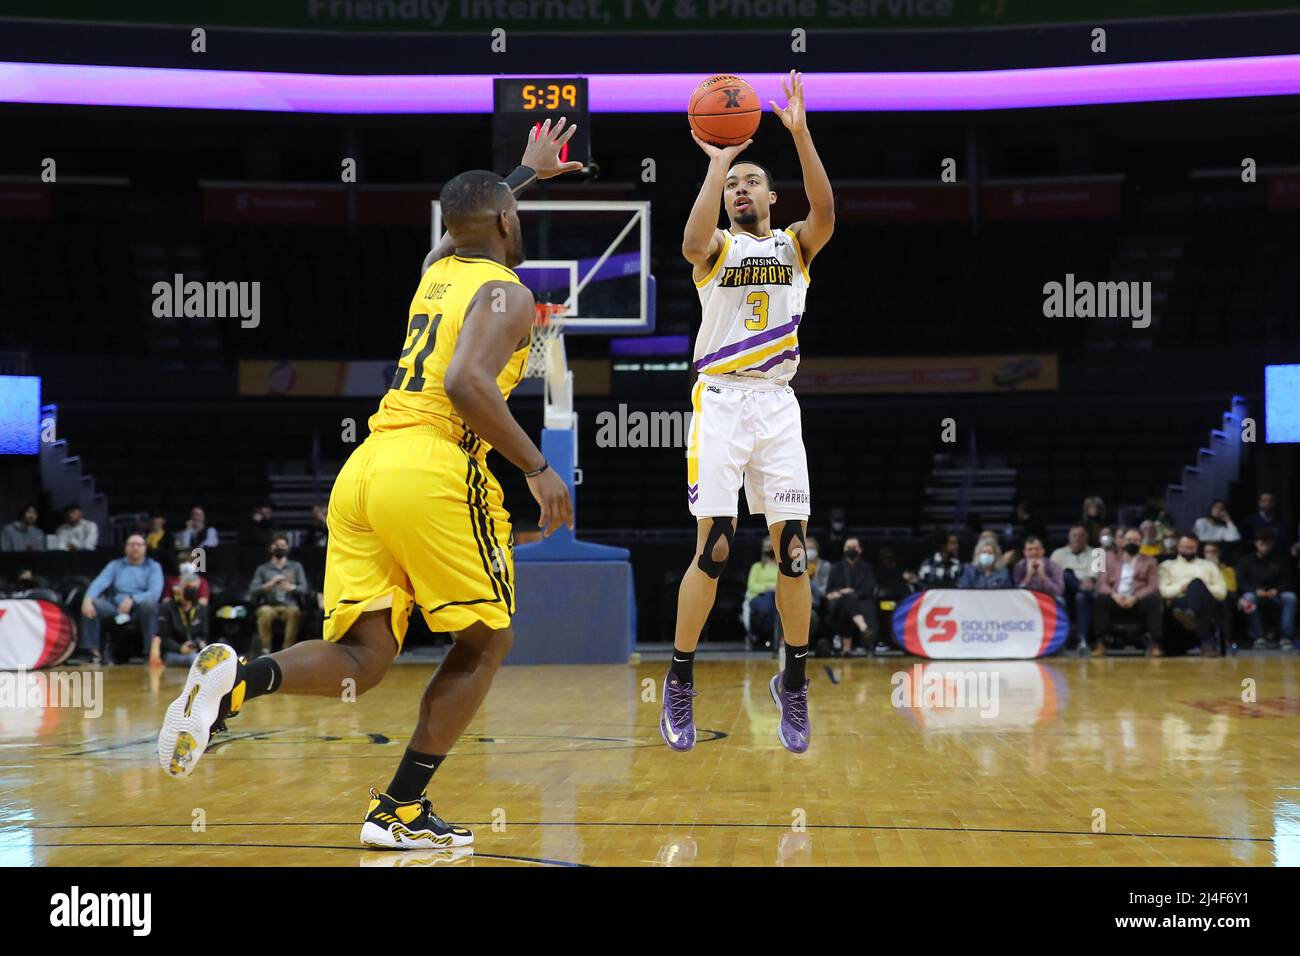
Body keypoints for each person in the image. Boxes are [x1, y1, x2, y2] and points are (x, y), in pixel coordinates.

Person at [158, 123, 580, 853]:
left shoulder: (433, 270)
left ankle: (236, 684)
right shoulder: (509, 294)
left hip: (366, 470)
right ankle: (400, 808)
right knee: (486, 643)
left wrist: (523, 174)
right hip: (434, 467)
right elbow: (466, 382)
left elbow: (470, 217)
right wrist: (537, 469)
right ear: (509, 223)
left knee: (366, 656)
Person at [665, 70, 834, 755]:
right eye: (736, 184)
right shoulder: (718, 250)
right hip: (722, 400)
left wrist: (799, 133)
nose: (741, 190)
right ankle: (679, 679)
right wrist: (718, 161)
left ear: (771, 196)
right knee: (716, 547)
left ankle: (792, 681)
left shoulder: (795, 245)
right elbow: (688, 240)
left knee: (793, 553)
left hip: (777, 404)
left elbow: (826, 213)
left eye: (750, 182)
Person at [79, 534, 164, 664]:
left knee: (150, 605)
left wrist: (133, 599)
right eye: (131, 544)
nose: (135, 547)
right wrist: (87, 599)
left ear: (145, 548)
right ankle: (91, 652)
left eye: (139, 545)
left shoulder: (153, 567)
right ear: (125, 548)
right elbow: (99, 583)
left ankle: (150, 653)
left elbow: (155, 593)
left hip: (138, 609)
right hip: (116, 608)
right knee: (92, 604)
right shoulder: (115, 565)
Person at [1093, 527, 1163, 657]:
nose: (1132, 543)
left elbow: (1152, 585)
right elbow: (1101, 583)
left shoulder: (1150, 561)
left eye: (1136, 540)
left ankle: (1155, 644)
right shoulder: (1106, 557)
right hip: (1115, 599)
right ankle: (1099, 643)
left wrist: (1135, 597)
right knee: (1100, 598)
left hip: (1138, 601)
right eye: (1129, 539)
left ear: (1142, 542)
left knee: (1154, 599)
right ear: (1122, 541)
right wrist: (1114, 595)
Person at [1159, 533, 1227, 656]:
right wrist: (1181, 588)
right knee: (1195, 587)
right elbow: (1163, 590)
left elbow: (1222, 592)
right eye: (1185, 547)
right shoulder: (1167, 566)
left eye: (1191, 548)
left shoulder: (1209, 566)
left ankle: (1191, 614)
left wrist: (1203, 588)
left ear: (1197, 548)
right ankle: (1206, 643)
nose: (1188, 550)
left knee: (1197, 584)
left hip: (1207, 603)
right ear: (1178, 547)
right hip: (1179, 602)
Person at [1235, 530, 1297, 649]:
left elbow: (1288, 580)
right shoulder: (1246, 561)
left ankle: (1286, 637)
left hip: (1276, 594)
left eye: (1267, 544)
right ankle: (1258, 636)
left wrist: (1277, 590)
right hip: (1255, 594)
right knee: (1247, 599)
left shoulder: (1280, 559)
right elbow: (1241, 582)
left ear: (1272, 544)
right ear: (1256, 544)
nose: (1264, 547)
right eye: (1261, 543)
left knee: (1290, 597)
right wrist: (1254, 590)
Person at [247, 534, 310, 651]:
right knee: (264, 612)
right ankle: (265, 649)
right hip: (270, 605)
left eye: (283, 546)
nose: (280, 548)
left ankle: (288, 650)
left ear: (288, 548)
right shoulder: (263, 568)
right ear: (271, 548)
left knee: (294, 612)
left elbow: (305, 588)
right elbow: (252, 590)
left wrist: (291, 587)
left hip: (289, 605)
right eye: (277, 546)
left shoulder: (296, 567)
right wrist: (269, 584)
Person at [824, 538, 877, 656]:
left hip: (860, 600)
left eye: (854, 547)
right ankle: (863, 627)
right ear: (843, 549)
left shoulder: (866, 568)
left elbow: (869, 588)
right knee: (846, 601)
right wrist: (842, 592)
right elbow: (829, 591)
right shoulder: (835, 567)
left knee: (849, 602)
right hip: (838, 602)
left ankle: (847, 649)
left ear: (860, 550)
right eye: (848, 547)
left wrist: (851, 594)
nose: (851, 550)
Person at [1051, 525, 1097, 651]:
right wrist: (1080, 583)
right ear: (1069, 538)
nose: (1078, 539)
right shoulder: (1057, 553)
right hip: (1065, 590)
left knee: (1081, 596)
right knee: (1066, 575)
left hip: (1089, 592)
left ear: (1087, 538)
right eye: (1074, 535)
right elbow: (1054, 576)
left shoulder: (1098, 553)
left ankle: (1082, 639)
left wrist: (1089, 580)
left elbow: (1098, 576)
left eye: (1081, 535)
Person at [150, 571, 209, 668]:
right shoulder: (167, 608)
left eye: (193, 588)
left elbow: (203, 635)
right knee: (194, 659)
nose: (189, 591)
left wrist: (195, 644)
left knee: (202, 658)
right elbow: (164, 639)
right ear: (179, 589)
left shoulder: (201, 609)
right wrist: (180, 648)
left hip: (193, 652)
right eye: (187, 588)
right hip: (172, 653)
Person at [744, 537, 779, 649]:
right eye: (766, 547)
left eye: (771, 546)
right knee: (768, 601)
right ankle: (770, 636)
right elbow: (751, 585)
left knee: (772, 600)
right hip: (758, 597)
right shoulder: (757, 567)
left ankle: (766, 636)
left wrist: (775, 589)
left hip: (777, 597)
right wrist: (766, 588)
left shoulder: (782, 566)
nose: (769, 549)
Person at [1202, 542, 1237, 652]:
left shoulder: (1228, 570)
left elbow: (1231, 588)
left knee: (1225, 599)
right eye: (1208, 552)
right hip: (1205, 598)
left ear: (1219, 553)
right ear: (1203, 554)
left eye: (1214, 552)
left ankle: (1226, 639)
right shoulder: (1198, 568)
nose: (1211, 555)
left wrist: (1217, 569)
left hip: (1222, 598)